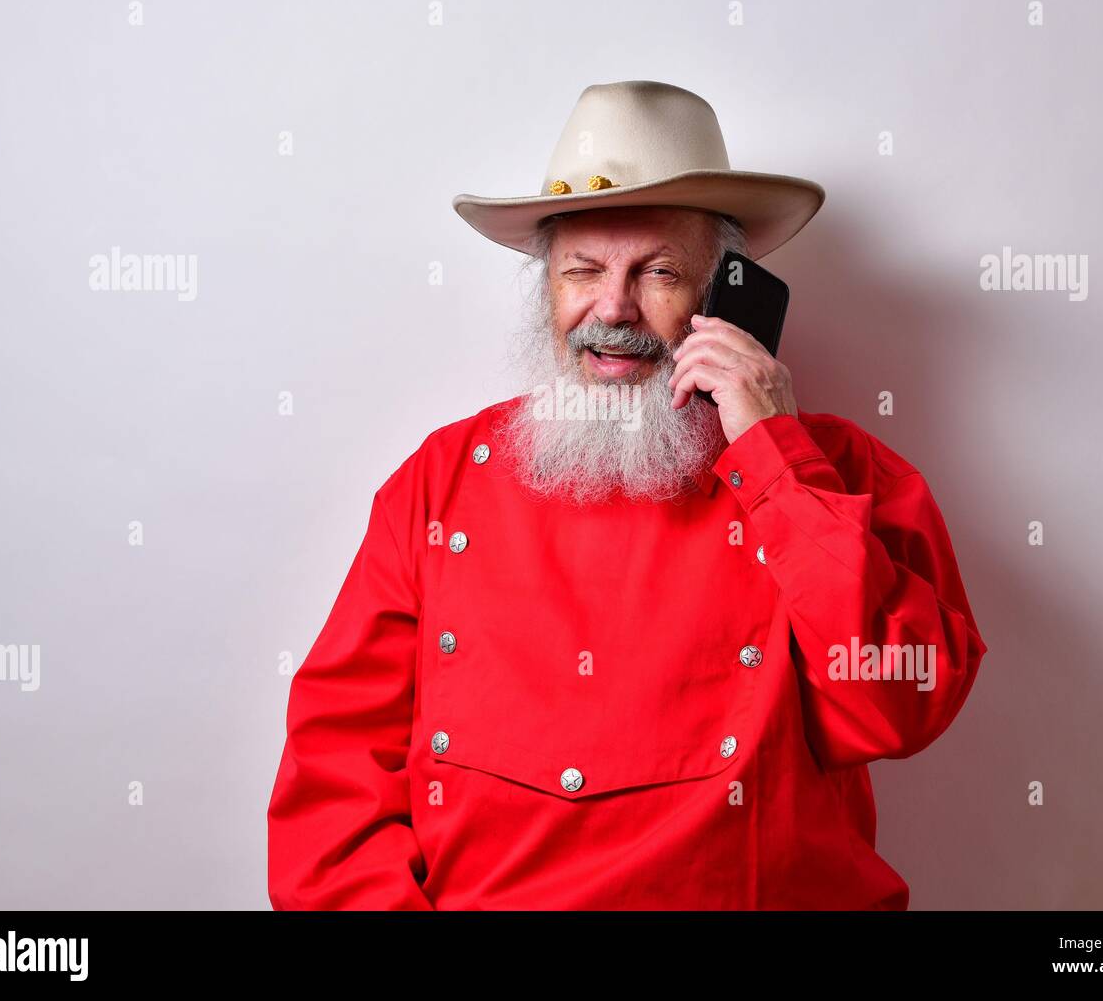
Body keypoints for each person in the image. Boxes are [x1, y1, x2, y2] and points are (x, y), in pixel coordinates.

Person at [266, 80, 987, 909]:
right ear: (547, 291)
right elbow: (334, 784)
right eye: (582, 271)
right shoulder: (441, 481)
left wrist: (774, 454)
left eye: (660, 272)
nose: (612, 308)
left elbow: (902, 704)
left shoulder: (834, 472)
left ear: (725, 295)